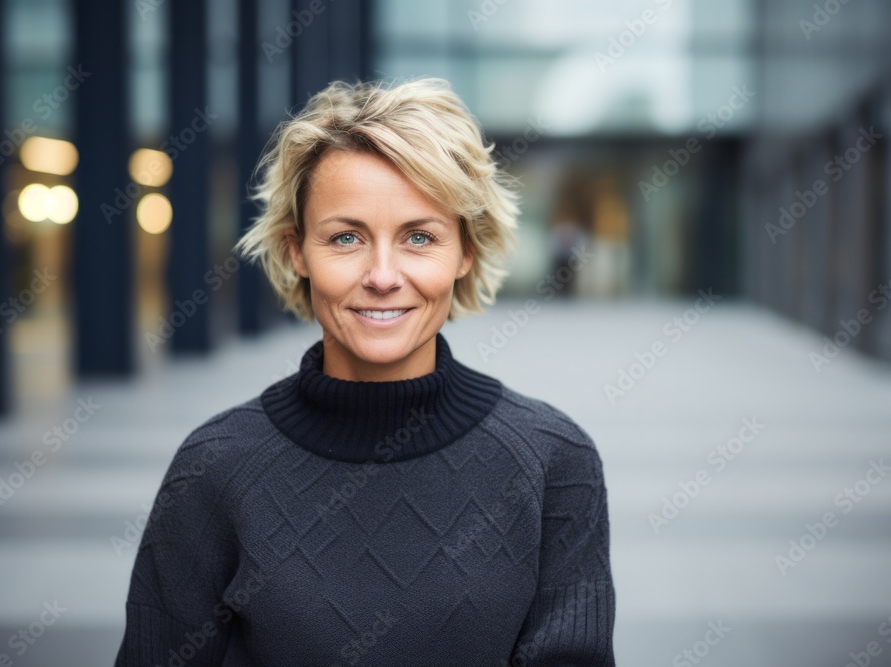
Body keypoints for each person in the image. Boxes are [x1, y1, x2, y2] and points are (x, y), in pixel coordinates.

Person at [114, 77, 615, 666]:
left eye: (419, 237)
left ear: (465, 251)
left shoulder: (554, 460)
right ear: (297, 249)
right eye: (346, 237)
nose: (382, 276)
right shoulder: (214, 468)